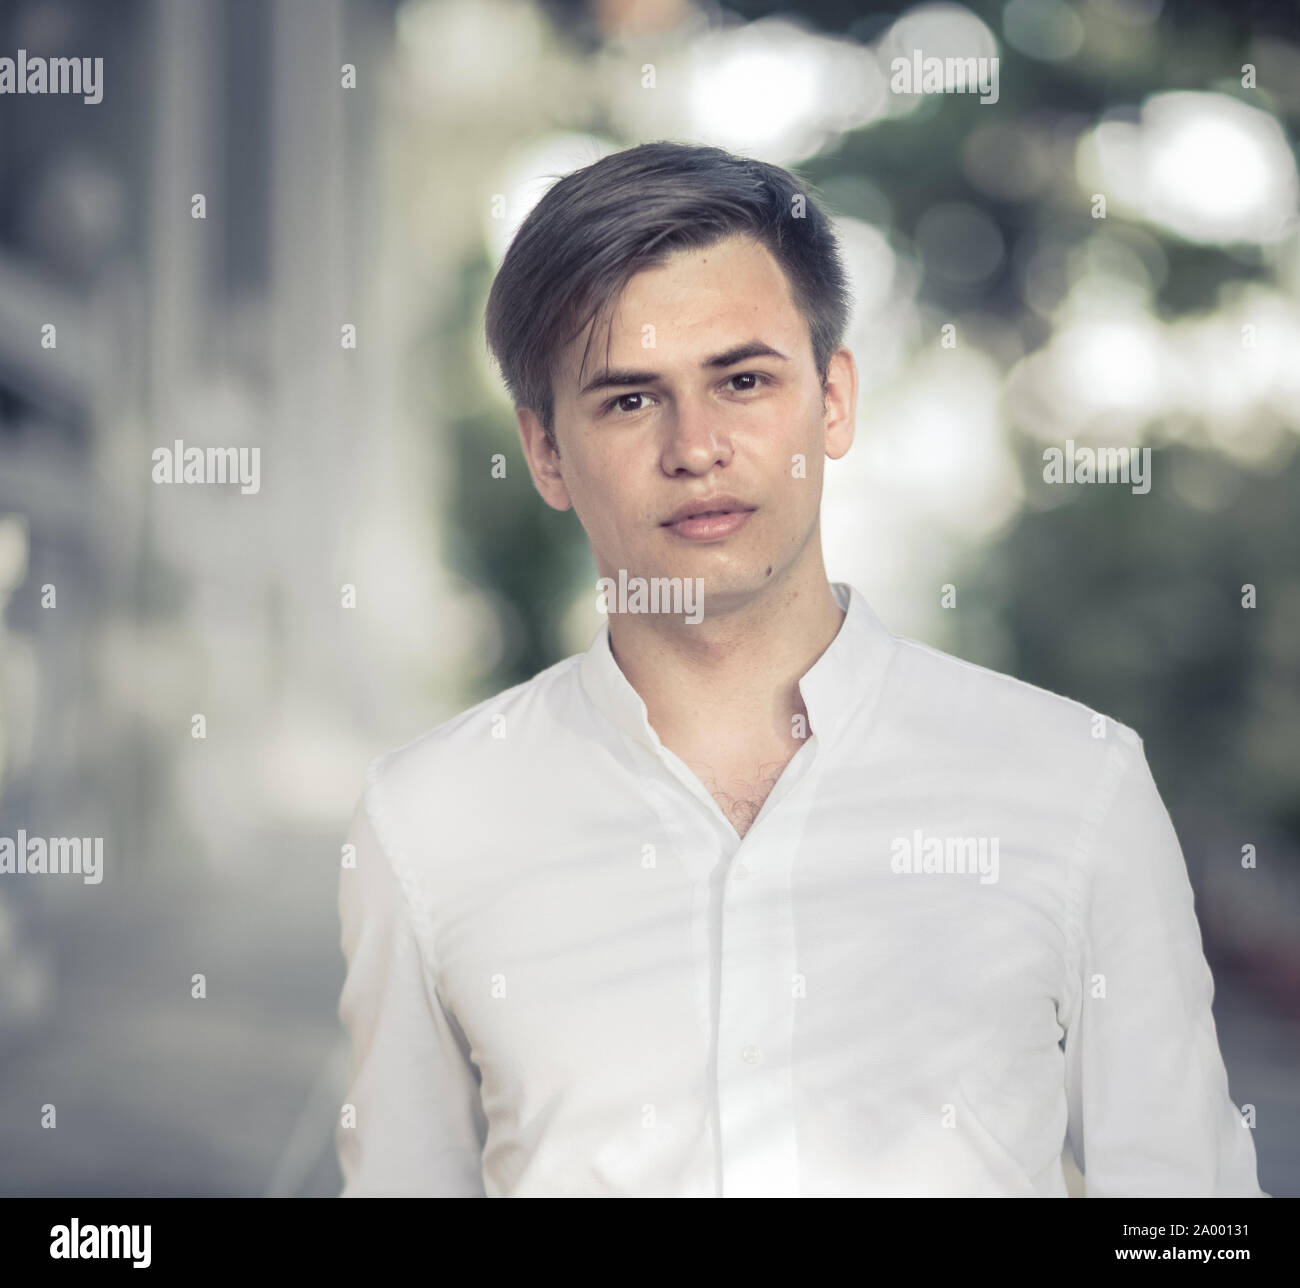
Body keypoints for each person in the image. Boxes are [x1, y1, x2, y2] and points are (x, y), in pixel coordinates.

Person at [334, 140, 1265, 1198]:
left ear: (831, 402)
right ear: (546, 451)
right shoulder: (427, 818)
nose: (697, 446)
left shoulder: (1074, 784)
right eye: (629, 400)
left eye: (741, 380)